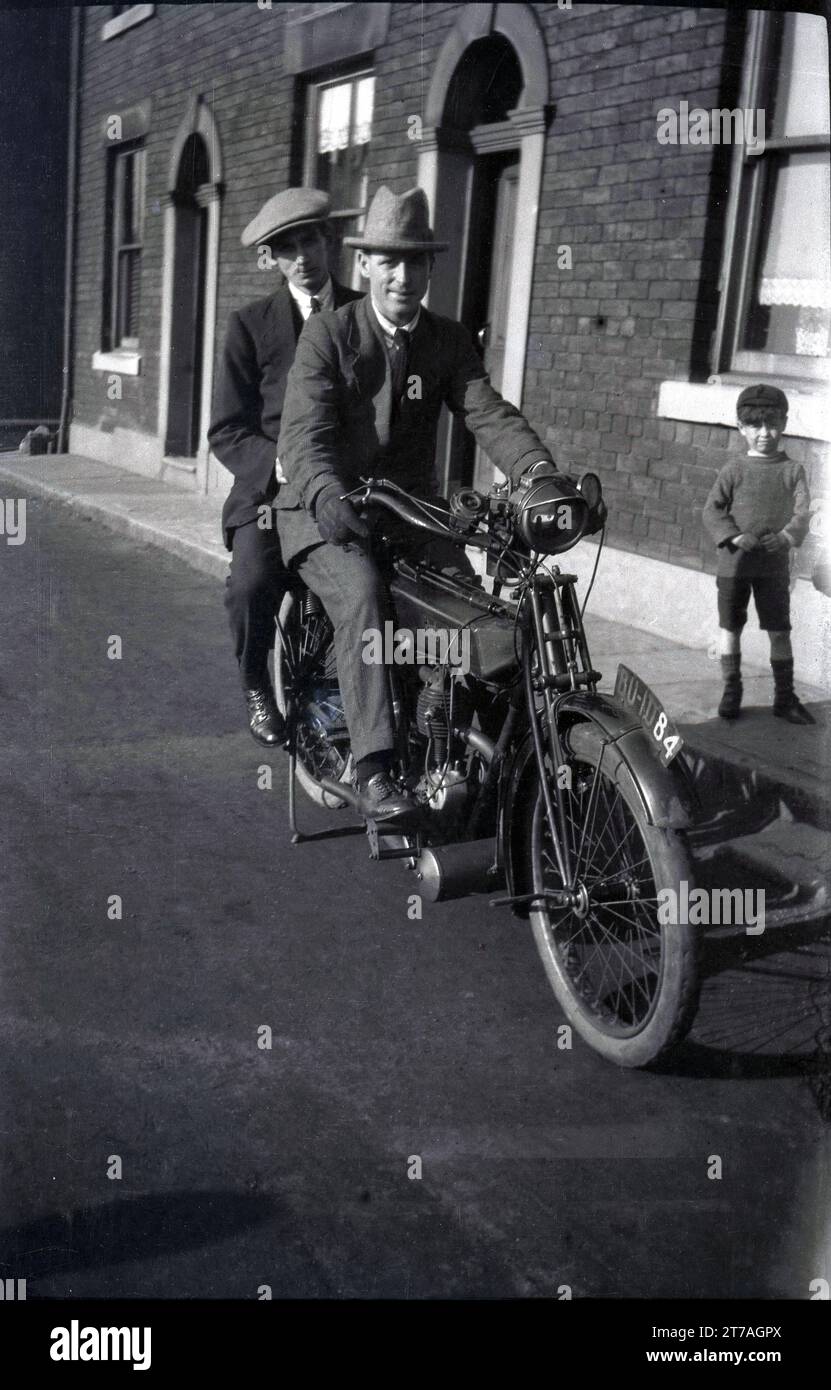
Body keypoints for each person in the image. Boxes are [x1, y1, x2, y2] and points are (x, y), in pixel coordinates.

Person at [275, 185, 604, 821]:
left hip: (412, 515)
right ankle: (372, 766)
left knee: (475, 612)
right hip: (325, 514)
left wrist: (542, 478)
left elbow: (489, 414)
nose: (402, 276)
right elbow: (305, 433)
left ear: (432, 268)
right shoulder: (329, 334)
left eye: (416, 262)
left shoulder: (448, 341)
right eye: (388, 261)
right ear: (364, 265)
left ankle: (459, 754)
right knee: (365, 595)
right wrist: (325, 489)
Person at [208, 188, 363, 746]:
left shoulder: (362, 314)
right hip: (270, 495)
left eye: (312, 241)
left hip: (345, 488)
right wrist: (278, 464)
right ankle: (255, 684)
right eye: (288, 248)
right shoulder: (250, 325)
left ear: (330, 241)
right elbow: (226, 428)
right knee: (250, 584)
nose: (304, 257)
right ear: (272, 259)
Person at [702, 383, 814, 724]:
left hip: (774, 568)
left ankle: (785, 697)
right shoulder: (733, 470)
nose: (764, 433)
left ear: (784, 423)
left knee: (779, 630)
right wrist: (734, 536)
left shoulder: (793, 470)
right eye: (755, 425)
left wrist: (785, 537)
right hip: (734, 566)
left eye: (772, 424)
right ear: (740, 427)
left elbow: (803, 513)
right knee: (730, 629)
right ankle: (731, 692)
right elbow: (712, 510)